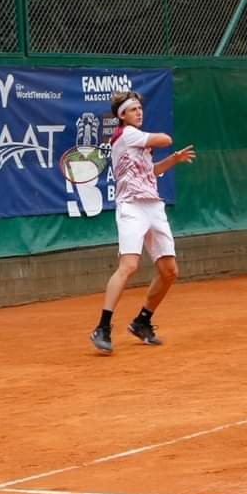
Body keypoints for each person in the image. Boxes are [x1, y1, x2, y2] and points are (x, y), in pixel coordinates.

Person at [90, 90, 196, 354]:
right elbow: (166, 139)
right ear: (122, 115)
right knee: (129, 266)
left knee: (169, 271)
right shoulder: (128, 134)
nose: (139, 112)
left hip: (153, 206)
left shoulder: (136, 141)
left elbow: (151, 171)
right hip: (132, 207)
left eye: (140, 108)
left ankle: (142, 321)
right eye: (133, 109)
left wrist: (173, 160)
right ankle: (102, 327)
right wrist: (166, 145)